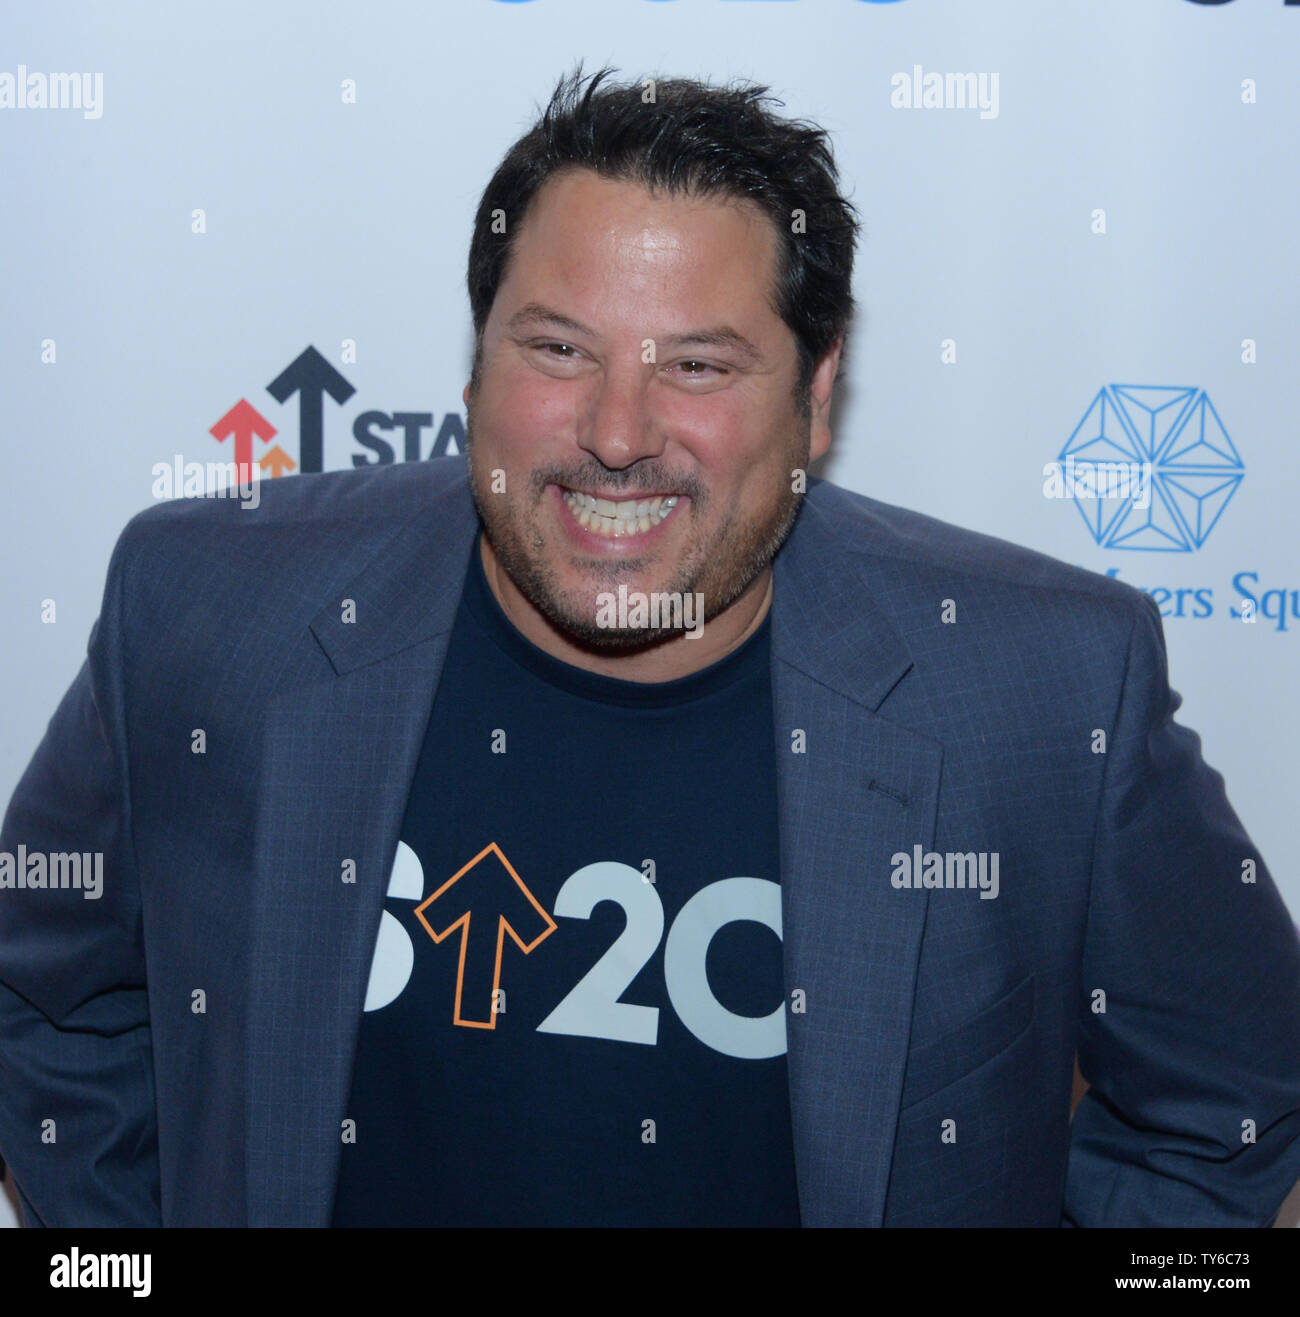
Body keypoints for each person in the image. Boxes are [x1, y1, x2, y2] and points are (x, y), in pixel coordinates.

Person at [1, 66, 1298, 1229]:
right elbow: (44, 992)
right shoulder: (207, 609)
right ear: (475, 366)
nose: (618, 432)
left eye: (698, 365)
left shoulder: (1044, 690)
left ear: (816, 397)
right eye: (558, 348)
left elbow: (1239, 1098)